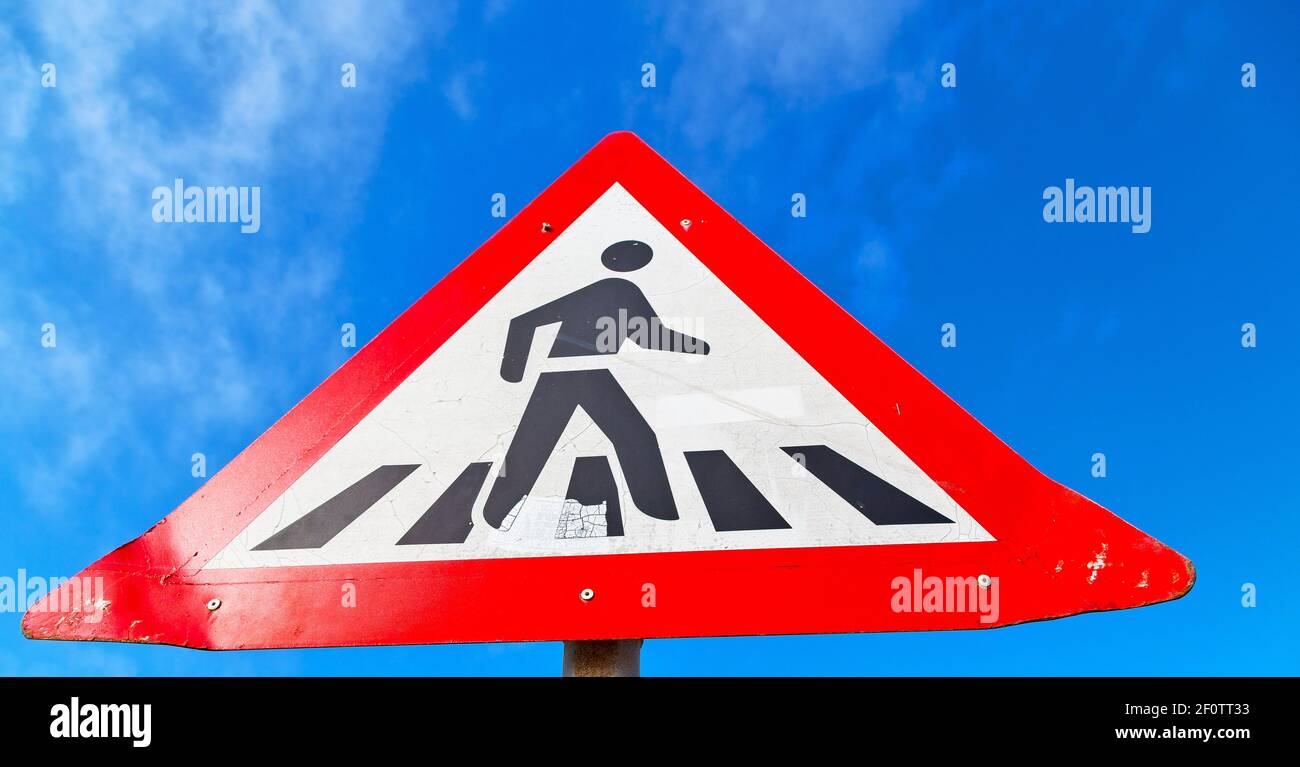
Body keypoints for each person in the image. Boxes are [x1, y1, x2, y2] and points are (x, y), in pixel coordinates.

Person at [483, 240, 710, 528]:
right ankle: (660, 512)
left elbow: (646, 336)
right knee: (537, 445)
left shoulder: (623, 290)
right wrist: (512, 371)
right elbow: (524, 321)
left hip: (586, 373)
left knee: (631, 437)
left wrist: (697, 346)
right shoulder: (612, 289)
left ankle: (660, 513)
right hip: (566, 372)